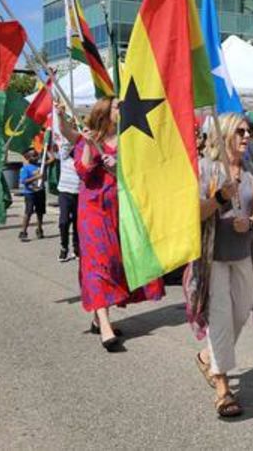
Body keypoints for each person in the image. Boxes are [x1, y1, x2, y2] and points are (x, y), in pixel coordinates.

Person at [185, 113, 253, 418]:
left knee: (241, 310)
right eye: (241, 132)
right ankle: (222, 388)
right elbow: (194, 213)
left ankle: (208, 355)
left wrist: (250, 222)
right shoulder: (205, 168)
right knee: (220, 315)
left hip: (243, 254)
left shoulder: (252, 171)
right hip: (212, 257)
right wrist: (220, 197)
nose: (247, 137)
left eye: (250, 132)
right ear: (225, 134)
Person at [74, 97, 165, 351]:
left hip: (121, 209)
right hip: (93, 210)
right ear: (104, 112)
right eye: (117, 107)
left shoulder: (129, 139)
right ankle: (105, 327)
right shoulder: (89, 138)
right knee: (97, 263)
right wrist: (89, 145)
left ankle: (97, 316)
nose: (122, 111)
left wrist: (120, 166)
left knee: (114, 264)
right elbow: (82, 170)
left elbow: (142, 172)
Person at [55, 105, 82, 262]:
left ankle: (76, 248)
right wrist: (63, 118)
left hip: (79, 192)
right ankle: (63, 246)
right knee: (64, 221)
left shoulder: (82, 154)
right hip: (65, 191)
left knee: (78, 223)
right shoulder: (65, 153)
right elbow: (67, 139)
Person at [17, 149, 46, 242]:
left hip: (40, 191)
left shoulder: (39, 167)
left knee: (40, 212)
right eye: (34, 156)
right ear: (28, 158)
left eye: (37, 155)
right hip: (30, 193)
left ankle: (39, 229)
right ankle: (23, 231)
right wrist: (36, 177)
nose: (36, 157)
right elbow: (23, 181)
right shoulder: (25, 168)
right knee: (28, 212)